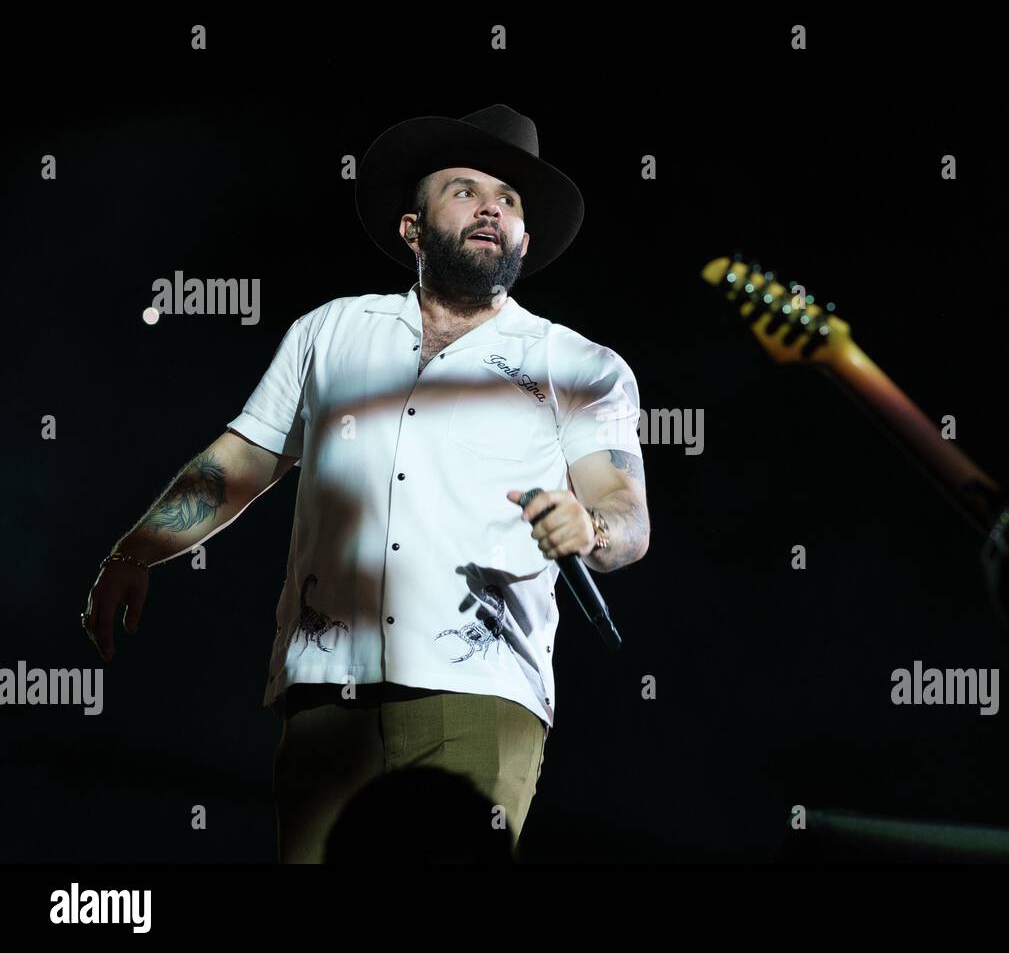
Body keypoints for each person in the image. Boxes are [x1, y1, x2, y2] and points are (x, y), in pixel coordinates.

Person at [80, 104, 652, 862]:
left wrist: (593, 528)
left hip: (477, 695)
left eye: (509, 200)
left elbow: (626, 513)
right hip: (325, 690)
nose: (491, 206)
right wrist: (132, 554)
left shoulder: (580, 364)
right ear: (412, 229)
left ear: (524, 240)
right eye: (465, 189)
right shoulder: (330, 332)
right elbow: (241, 464)